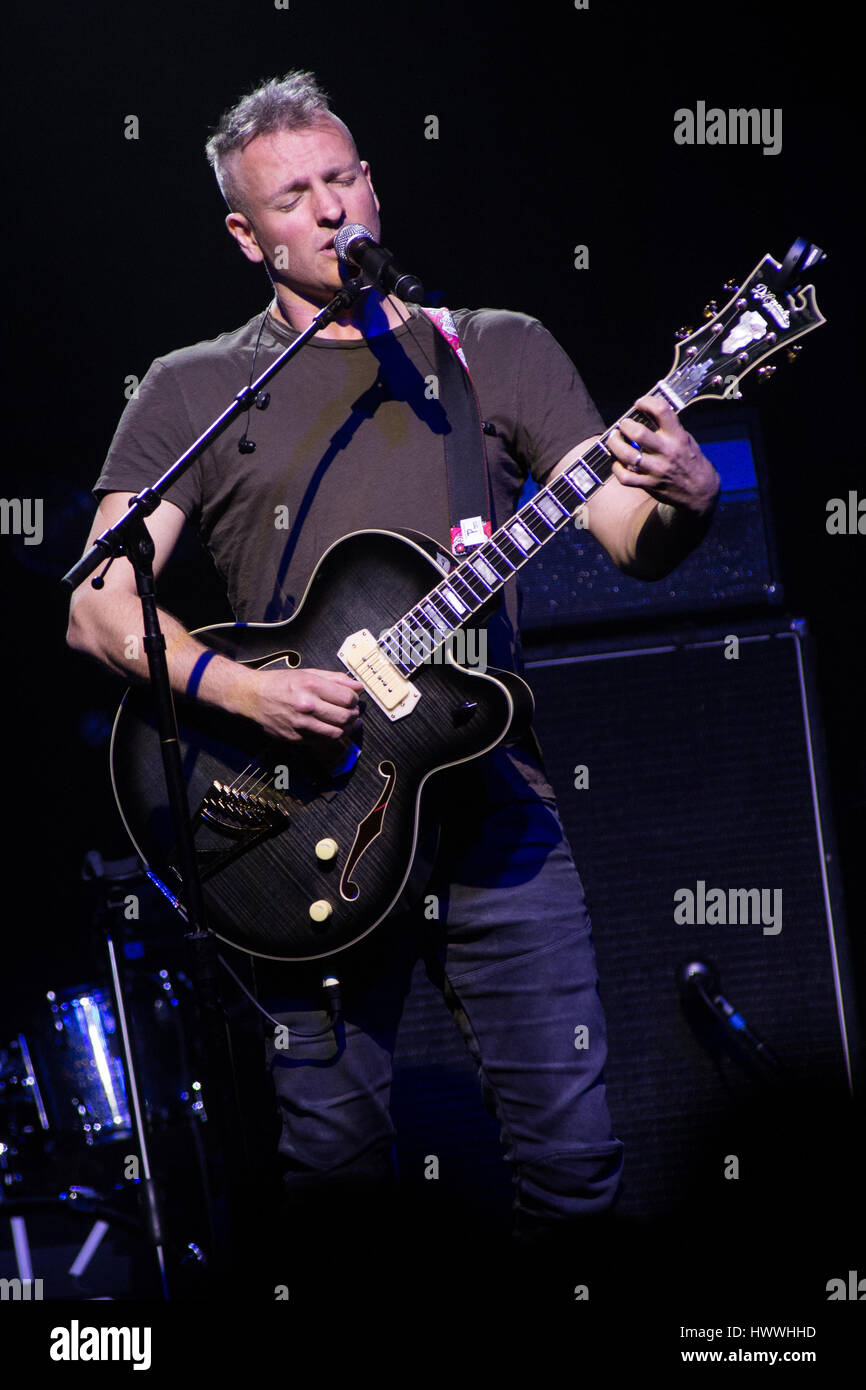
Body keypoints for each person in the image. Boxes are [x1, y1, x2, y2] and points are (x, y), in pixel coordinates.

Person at [67, 71, 720, 1290]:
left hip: (490, 802)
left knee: (575, 1170)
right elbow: (99, 605)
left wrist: (684, 490)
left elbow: (624, 527)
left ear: (373, 180)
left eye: (339, 178)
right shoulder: (195, 389)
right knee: (339, 1179)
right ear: (243, 234)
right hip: (293, 816)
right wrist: (245, 692)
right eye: (291, 197)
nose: (326, 209)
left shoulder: (495, 350)